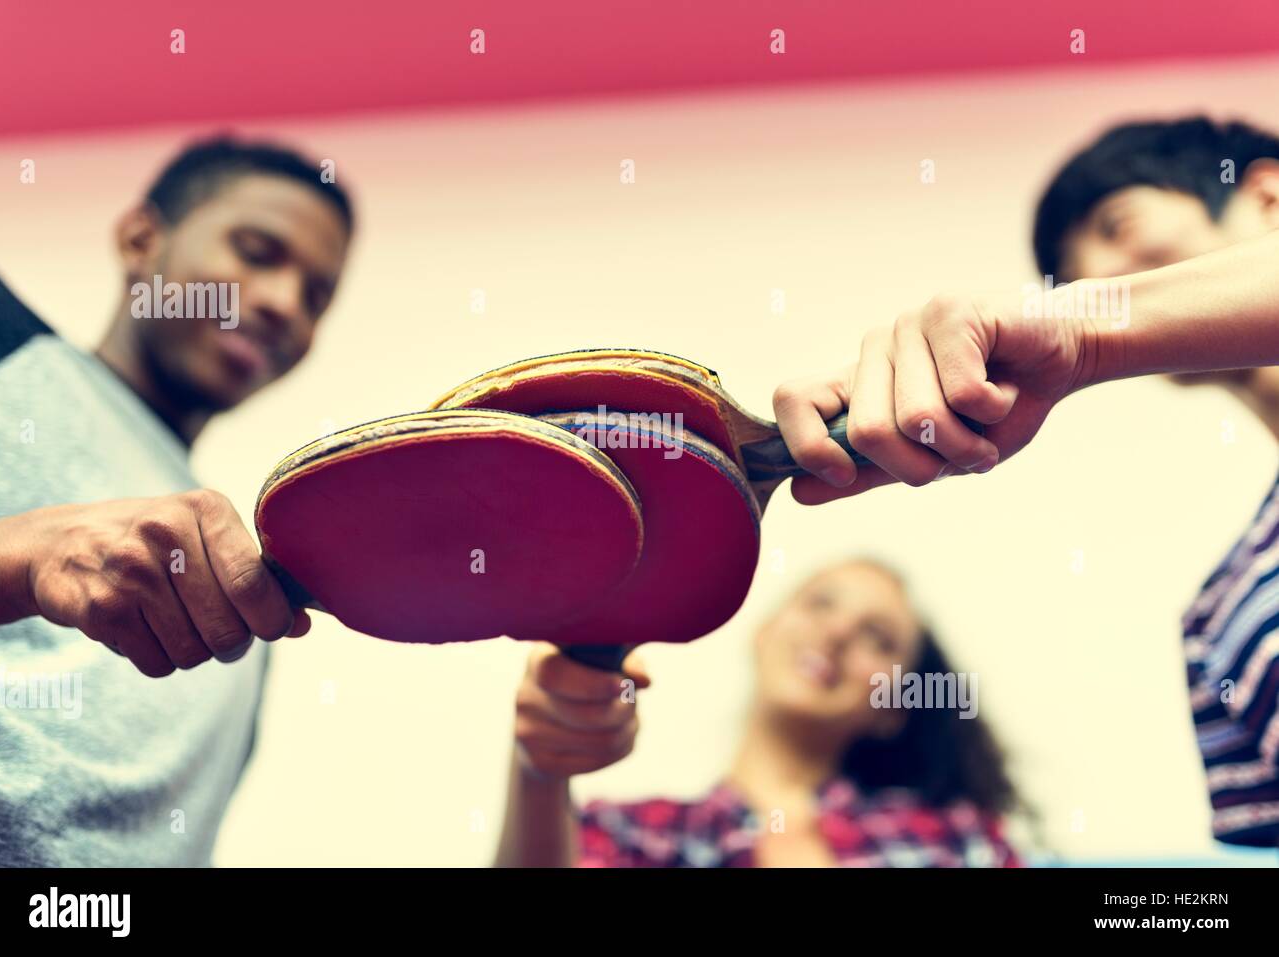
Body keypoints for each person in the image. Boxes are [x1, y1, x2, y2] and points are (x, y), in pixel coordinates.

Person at [773, 117, 1279, 847]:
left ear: (1265, 195)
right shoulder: (1218, 620)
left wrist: (1080, 328)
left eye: (1119, 224)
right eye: (1072, 283)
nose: (1099, 280)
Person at [0, 136, 353, 865]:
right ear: (141, 238)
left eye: (317, 296)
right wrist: (21, 558)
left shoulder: (243, 596)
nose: (284, 304)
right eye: (255, 252)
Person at [494, 559, 1022, 867]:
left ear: (894, 709)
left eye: (877, 638)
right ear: (765, 630)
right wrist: (540, 772)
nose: (837, 633)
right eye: (820, 604)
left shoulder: (957, 838)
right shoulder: (634, 835)